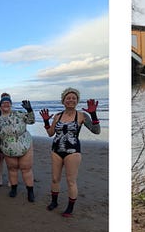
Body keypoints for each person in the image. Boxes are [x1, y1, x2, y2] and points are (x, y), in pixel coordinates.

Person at [41, 88, 101, 217]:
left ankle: (70, 207)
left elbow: (96, 131)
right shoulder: (58, 116)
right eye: (68, 98)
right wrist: (46, 121)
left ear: (77, 101)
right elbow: (50, 133)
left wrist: (94, 114)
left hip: (72, 152)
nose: (71, 100)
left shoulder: (81, 116)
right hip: (56, 150)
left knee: (71, 181)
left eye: (74, 98)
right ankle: (54, 202)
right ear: (63, 100)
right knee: (55, 178)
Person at [0, 94, 37, 201]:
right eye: (3, 103)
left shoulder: (19, 114)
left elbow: (31, 121)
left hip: (24, 144)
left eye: (8, 102)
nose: (6, 104)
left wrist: (29, 110)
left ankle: (30, 191)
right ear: (0, 105)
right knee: (12, 169)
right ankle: (14, 189)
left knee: (26, 169)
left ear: (10, 104)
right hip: (8, 147)